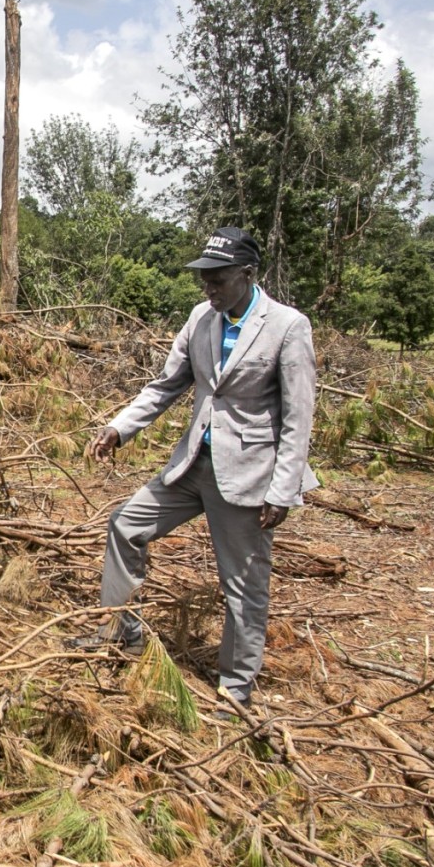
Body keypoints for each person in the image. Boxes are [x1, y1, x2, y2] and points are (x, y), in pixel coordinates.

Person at [66, 226, 319, 708]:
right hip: (193, 465)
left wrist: (283, 489)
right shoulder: (202, 317)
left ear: (248, 274)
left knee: (243, 585)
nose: (208, 287)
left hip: (249, 475)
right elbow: (166, 385)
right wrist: (120, 428)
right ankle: (120, 632)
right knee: (126, 525)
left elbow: (298, 416)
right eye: (204, 278)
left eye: (218, 278)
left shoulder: (288, 326)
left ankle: (235, 688)